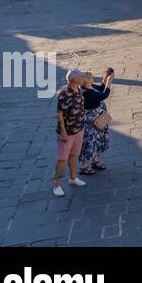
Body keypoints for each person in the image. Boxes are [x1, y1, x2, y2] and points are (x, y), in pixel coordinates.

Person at [52, 69, 88, 197]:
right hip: (67, 132)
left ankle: (73, 178)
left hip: (79, 129)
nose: (82, 77)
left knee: (74, 155)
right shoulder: (64, 94)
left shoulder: (78, 89)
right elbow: (59, 114)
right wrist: (62, 130)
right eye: (80, 76)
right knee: (62, 159)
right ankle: (56, 185)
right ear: (73, 79)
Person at [78, 69, 114, 175]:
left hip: (97, 121)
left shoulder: (90, 87)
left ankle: (95, 161)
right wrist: (110, 81)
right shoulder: (86, 92)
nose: (93, 79)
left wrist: (106, 77)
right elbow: (103, 95)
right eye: (91, 78)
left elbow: (102, 88)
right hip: (90, 122)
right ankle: (83, 167)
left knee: (96, 140)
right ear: (87, 81)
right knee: (88, 142)